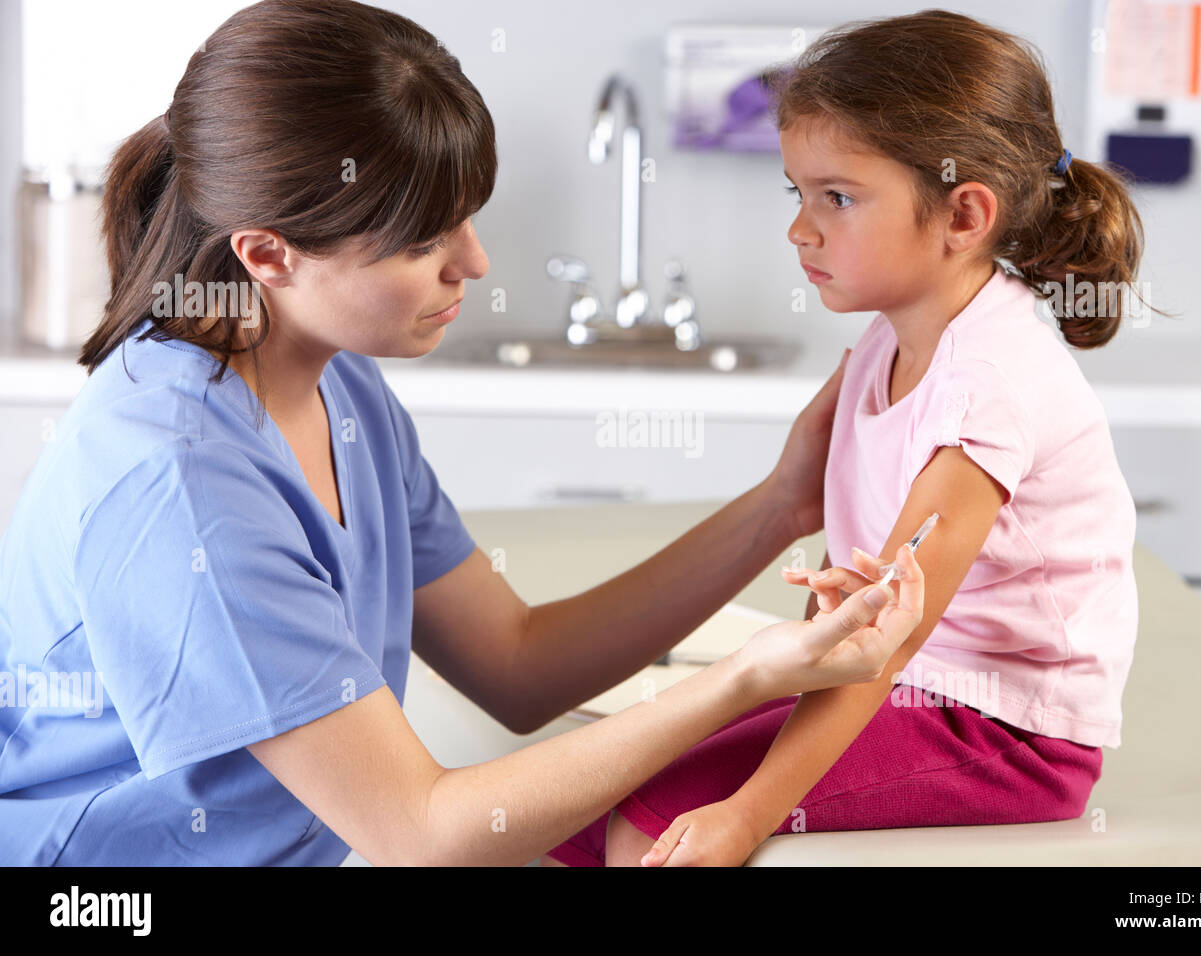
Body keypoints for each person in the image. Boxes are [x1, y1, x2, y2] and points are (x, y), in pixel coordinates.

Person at [0, 0, 927, 867]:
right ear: (268, 254)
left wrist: (778, 506)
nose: (473, 262)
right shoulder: (179, 480)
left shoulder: (338, 384)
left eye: (464, 217)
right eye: (421, 241)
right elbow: (420, 830)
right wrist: (747, 677)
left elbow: (518, 664)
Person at [546, 9, 1157, 867]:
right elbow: (849, 598)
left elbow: (888, 633)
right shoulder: (892, 334)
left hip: (1007, 732)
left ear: (963, 215)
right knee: (573, 798)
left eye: (836, 197)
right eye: (796, 193)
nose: (800, 228)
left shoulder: (988, 384)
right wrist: (766, 685)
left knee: (654, 817)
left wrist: (746, 813)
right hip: (903, 685)